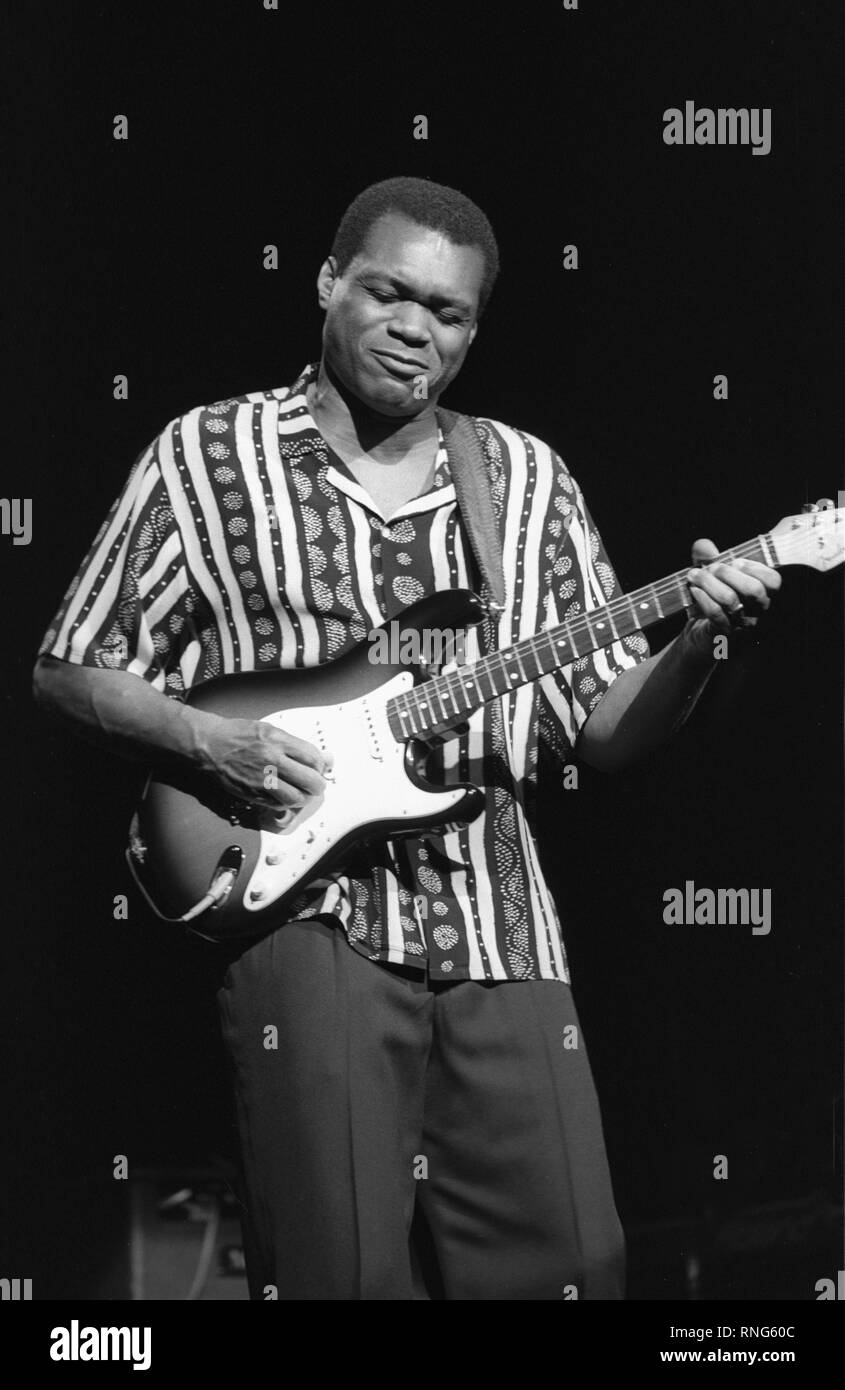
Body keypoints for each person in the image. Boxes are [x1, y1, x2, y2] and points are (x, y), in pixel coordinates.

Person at [33, 176, 781, 1301]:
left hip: (499, 922)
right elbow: (69, 667)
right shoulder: (208, 454)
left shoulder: (524, 480)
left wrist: (696, 644)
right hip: (304, 914)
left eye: (449, 312)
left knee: (574, 1263)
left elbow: (602, 730)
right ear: (329, 281)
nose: (414, 328)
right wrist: (207, 744)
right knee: (340, 1271)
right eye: (389, 293)